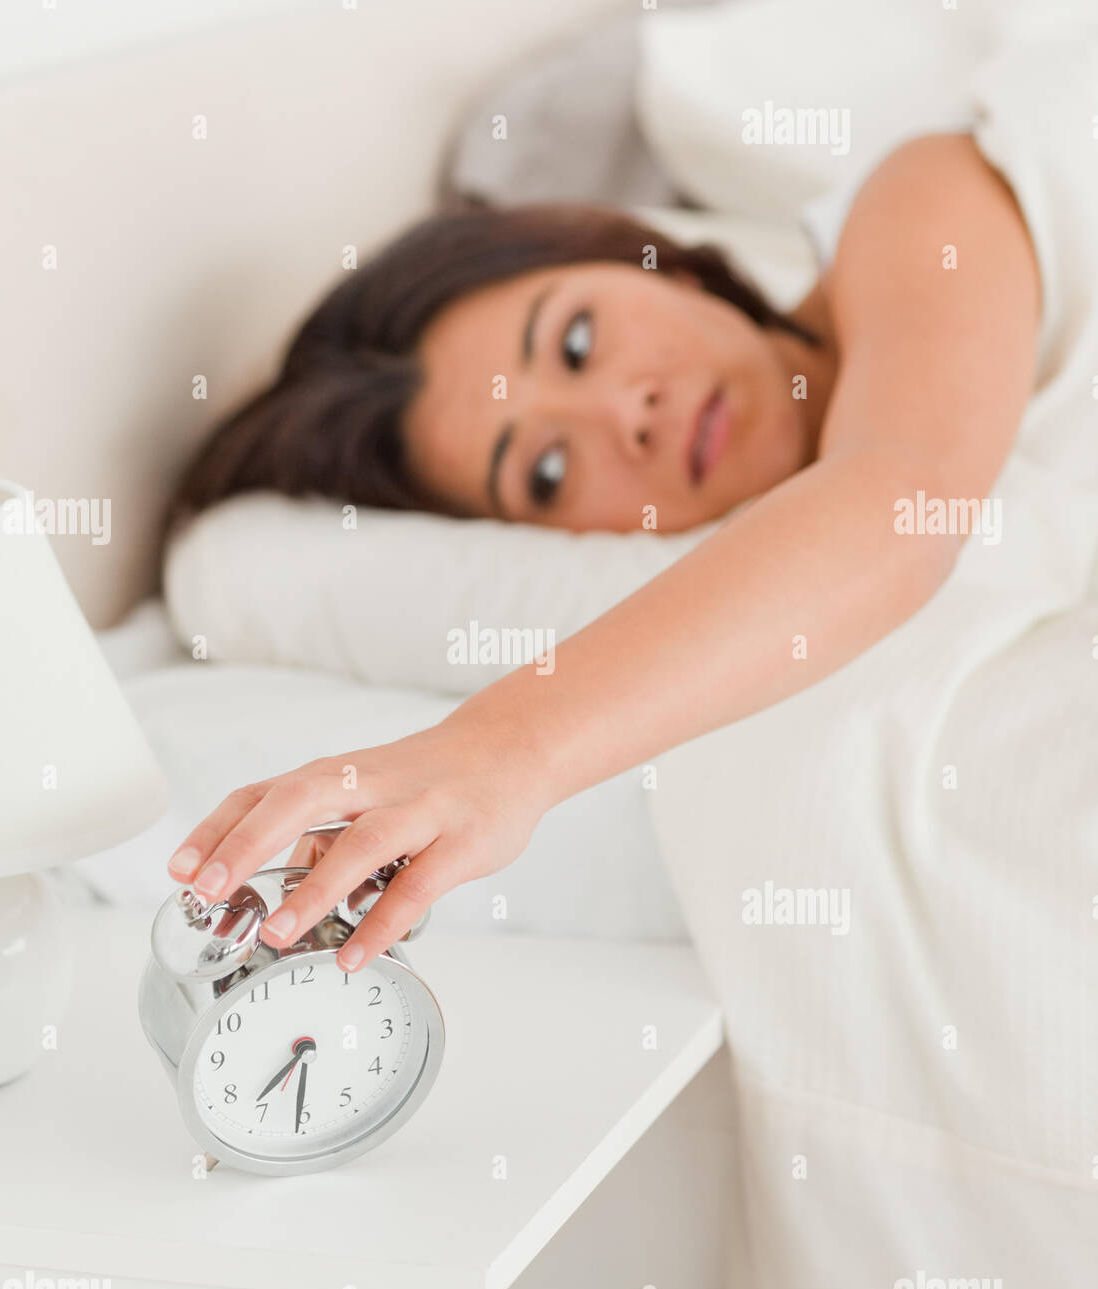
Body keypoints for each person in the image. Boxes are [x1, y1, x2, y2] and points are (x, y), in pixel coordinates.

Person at [164, 131, 1039, 976]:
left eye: (575, 341)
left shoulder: (923, 199)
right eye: (545, 470)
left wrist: (500, 753)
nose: (626, 413)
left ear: (652, 260)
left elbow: (900, 502)